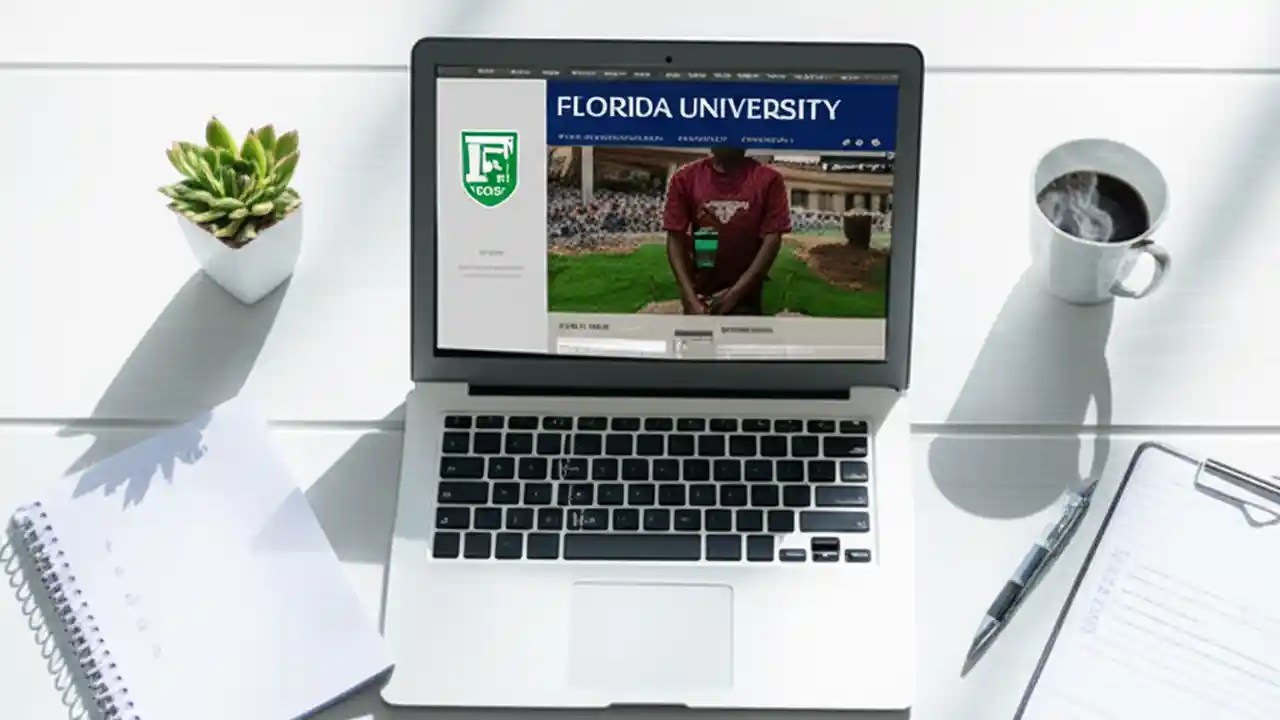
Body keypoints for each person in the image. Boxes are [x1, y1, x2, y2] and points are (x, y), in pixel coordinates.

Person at [662, 146, 792, 315]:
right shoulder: (685, 178)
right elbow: (674, 237)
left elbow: (772, 240)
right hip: (700, 291)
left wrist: (732, 296)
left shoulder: (769, 180)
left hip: (746, 295)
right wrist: (690, 299)